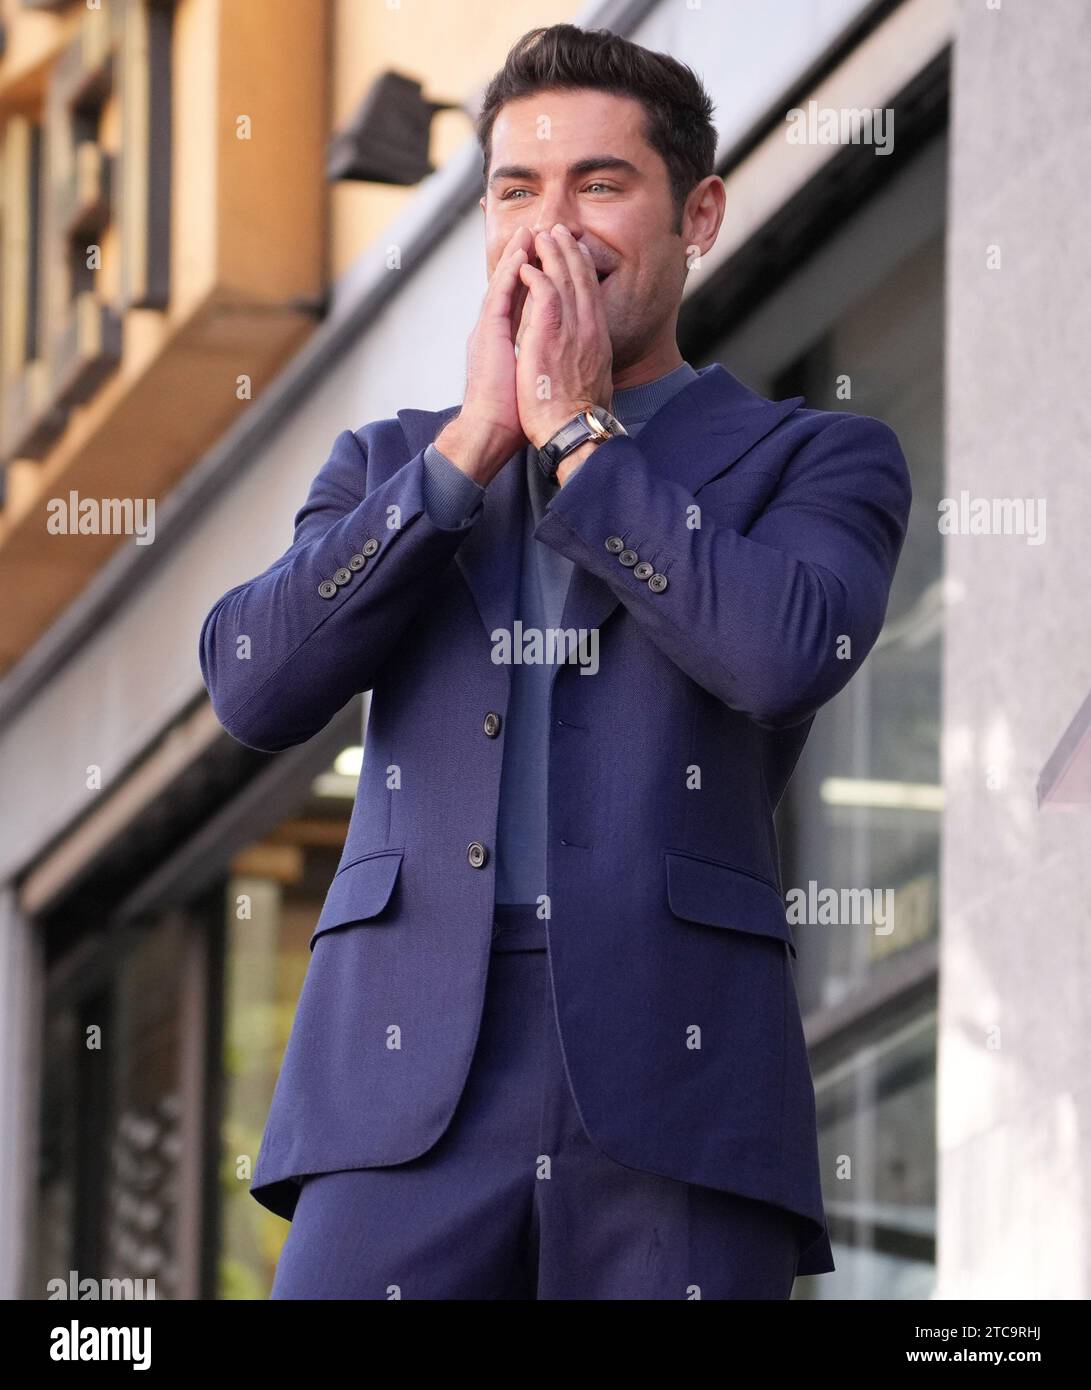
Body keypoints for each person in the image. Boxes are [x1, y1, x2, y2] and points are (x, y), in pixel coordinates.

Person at [198, 23, 912, 1299]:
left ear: (696, 214)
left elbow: (783, 653)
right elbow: (253, 681)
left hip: (676, 1082)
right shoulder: (391, 464)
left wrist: (581, 433)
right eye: (515, 190)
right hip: (398, 1077)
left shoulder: (815, 458)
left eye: (598, 184)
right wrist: (474, 444)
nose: (551, 226)